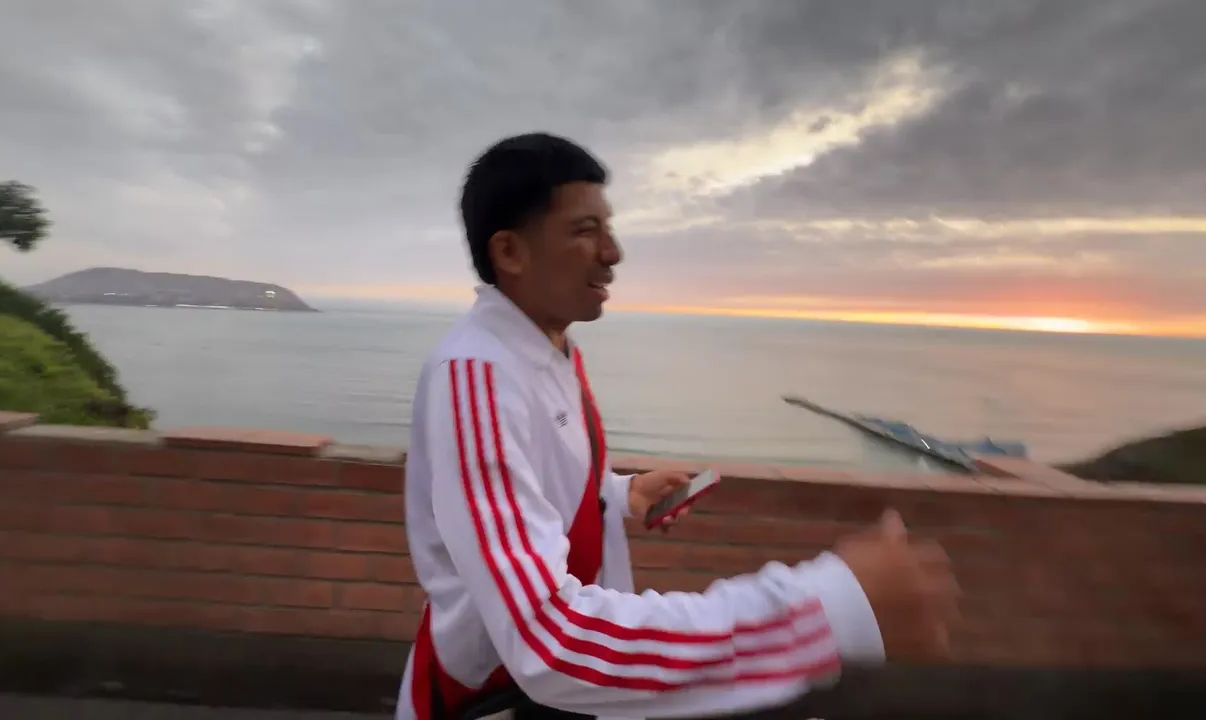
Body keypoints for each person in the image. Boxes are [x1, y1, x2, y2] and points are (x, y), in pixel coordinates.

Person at [397, 132, 960, 720]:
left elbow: (531, 490)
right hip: (492, 698)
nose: (613, 252)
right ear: (511, 253)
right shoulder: (478, 377)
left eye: (608, 228)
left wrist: (618, 495)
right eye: (584, 230)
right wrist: (832, 608)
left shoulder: (551, 351)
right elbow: (549, 642)